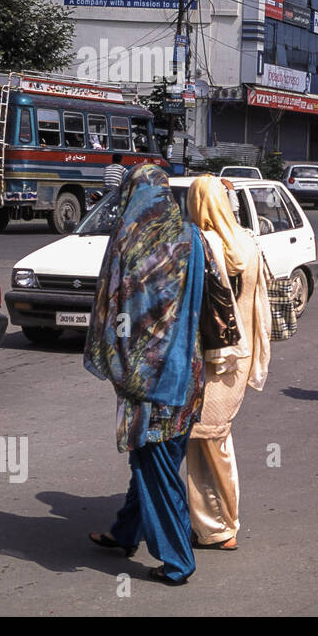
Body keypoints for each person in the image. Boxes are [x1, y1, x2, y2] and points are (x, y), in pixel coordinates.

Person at [84, 165, 205, 586]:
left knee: (156, 467)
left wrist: (118, 360)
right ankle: (125, 532)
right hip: (187, 374)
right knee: (152, 460)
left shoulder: (127, 240)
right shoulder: (194, 239)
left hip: (146, 382)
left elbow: (112, 310)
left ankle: (177, 562)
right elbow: (206, 302)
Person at [185, 176, 271, 551]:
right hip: (240, 355)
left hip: (211, 359)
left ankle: (221, 525)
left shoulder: (203, 244)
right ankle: (214, 523)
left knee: (204, 440)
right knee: (213, 439)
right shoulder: (248, 243)